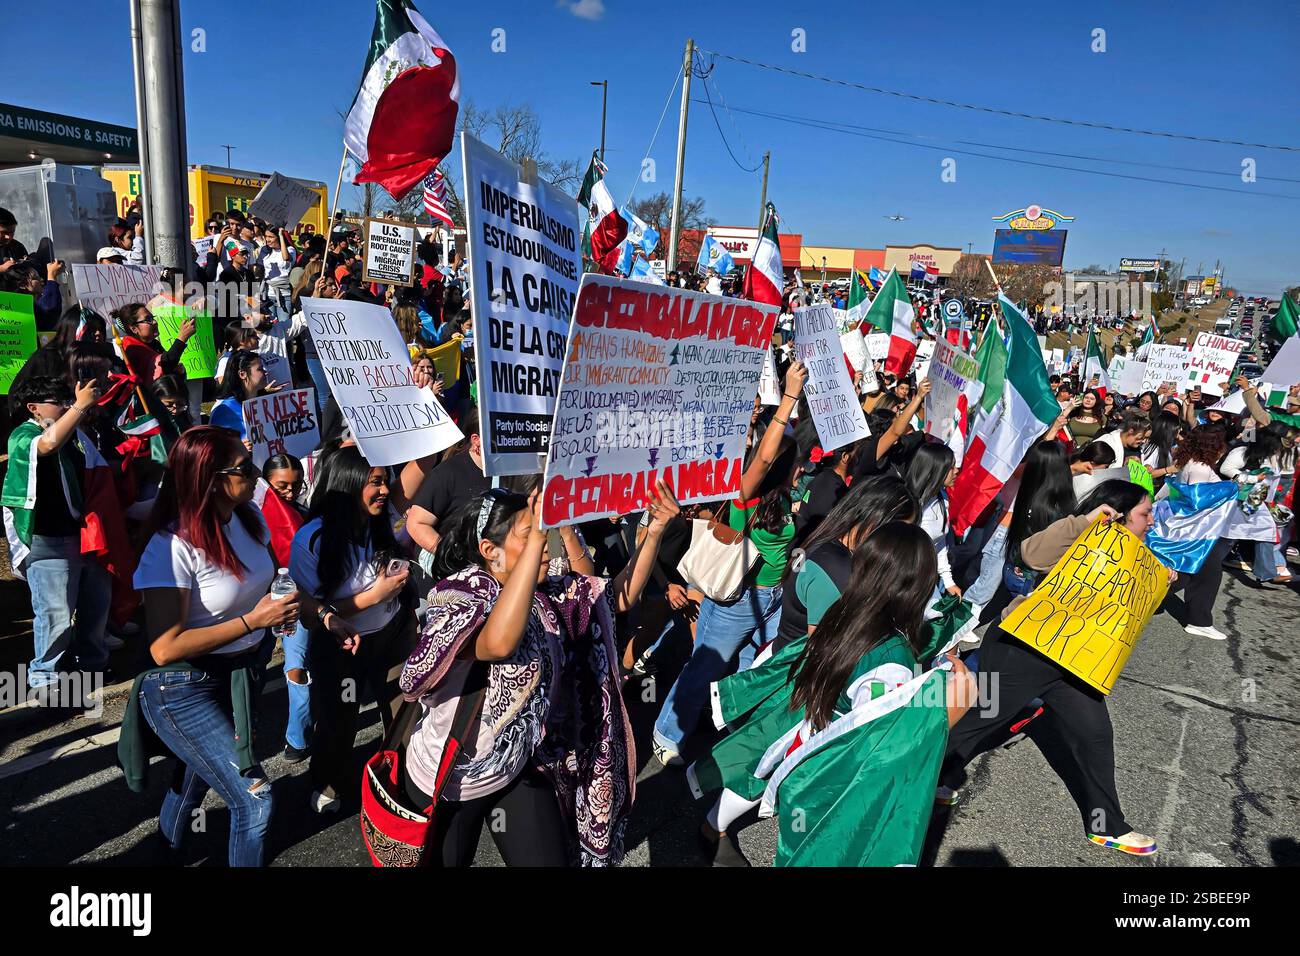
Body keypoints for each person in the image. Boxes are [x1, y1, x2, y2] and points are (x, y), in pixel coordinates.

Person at [399, 481, 678, 866]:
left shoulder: (547, 594)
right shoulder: (462, 596)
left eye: (542, 534)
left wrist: (655, 531)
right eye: (530, 534)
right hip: (448, 781)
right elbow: (497, 644)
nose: (544, 545)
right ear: (489, 551)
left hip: (515, 770)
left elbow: (615, 598)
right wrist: (537, 541)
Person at [691, 523, 976, 867]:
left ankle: (712, 826)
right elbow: (882, 750)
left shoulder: (848, 611)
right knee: (817, 844)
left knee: (760, 770)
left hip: (807, 725)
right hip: (829, 760)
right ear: (917, 588)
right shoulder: (892, 660)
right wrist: (946, 713)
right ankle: (714, 828)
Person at [942, 480, 1173, 857]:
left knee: (1095, 735)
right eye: (1145, 513)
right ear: (1118, 515)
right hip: (1024, 647)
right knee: (982, 719)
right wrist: (1085, 522)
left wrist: (1160, 583)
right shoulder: (1083, 532)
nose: (1151, 521)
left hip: (1075, 661)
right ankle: (922, 781)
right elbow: (1031, 555)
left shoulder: (1138, 556)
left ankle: (1106, 826)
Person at [122, 427, 299, 866]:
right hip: (182, 687)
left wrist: (314, 615)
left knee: (196, 775)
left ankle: (165, 852)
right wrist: (252, 621)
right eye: (244, 468)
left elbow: (264, 584)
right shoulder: (171, 545)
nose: (256, 474)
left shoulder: (244, 518)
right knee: (255, 798)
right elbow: (164, 649)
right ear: (211, 478)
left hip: (237, 672)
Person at [651, 360, 808, 767]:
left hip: (773, 600)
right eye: (796, 463)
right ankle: (666, 733)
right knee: (706, 664)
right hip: (738, 599)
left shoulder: (788, 500)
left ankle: (728, 729)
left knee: (750, 668)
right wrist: (789, 396)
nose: (803, 468)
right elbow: (765, 455)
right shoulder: (745, 495)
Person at [289, 446, 422, 812]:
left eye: (385, 481)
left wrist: (428, 401)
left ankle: (405, 784)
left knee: (405, 712)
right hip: (341, 649)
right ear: (348, 484)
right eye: (374, 482)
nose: (384, 490)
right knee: (338, 723)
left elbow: (420, 464)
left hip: (393, 637)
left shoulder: (383, 520)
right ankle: (329, 782)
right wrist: (374, 596)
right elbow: (308, 612)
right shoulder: (311, 539)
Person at [2, 375, 113, 691]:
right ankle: (45, 679)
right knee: (56, 616)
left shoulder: (76, 436)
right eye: (59, 402)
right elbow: (48, 444)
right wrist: (79, 407)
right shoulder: (22, 436)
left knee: (95, 606)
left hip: (86, 535)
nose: (66, 407)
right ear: (33, 408)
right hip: (47, 541)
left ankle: (93, 666)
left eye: (68, 401)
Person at [405, 406, 488, 555]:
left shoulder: (512, 473)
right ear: (476, 441)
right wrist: (452, 558)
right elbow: (416, 523)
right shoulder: (447, 473)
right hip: (456, 572)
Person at [905, 442, 960, 595]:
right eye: (951, 467)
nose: (956, 471)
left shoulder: (942, 497)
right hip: (905, 580)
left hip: (925, 578)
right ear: (937, 470)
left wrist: (949, 581)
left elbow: (939, 542)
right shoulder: (909, 505)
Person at [114, 302, 195, 388]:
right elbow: (164, 363)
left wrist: (178, 371)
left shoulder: (154, 344)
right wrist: (182, 338)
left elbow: (168, 367)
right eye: (148, 319)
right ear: (134, 329)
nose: (154, 322)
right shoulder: (132, 348)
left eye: (152, 318)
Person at [210, 350, 273, 439]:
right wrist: (240, 447)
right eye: (260, 369)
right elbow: (217, 446)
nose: (265, 372)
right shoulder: (225, 410)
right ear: (243, 374)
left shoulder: (265, 403)